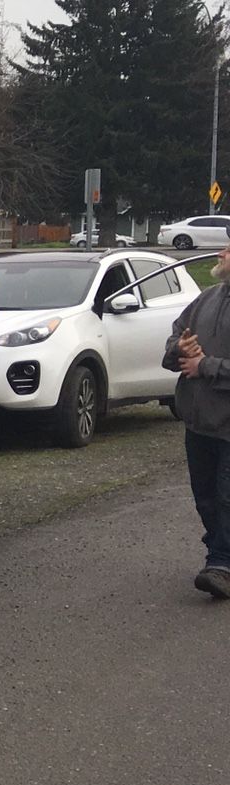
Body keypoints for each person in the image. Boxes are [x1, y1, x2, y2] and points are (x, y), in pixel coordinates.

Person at [164, 242, 230, 597]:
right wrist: (179, 350)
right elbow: (175, 334)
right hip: (198, 422)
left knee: (226, 496)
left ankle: (221, 563)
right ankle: (220, 555)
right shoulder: (206, 299)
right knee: (204, 496)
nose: (221, 253)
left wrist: (206, 366)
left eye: (229, 249)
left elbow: (203, 365)